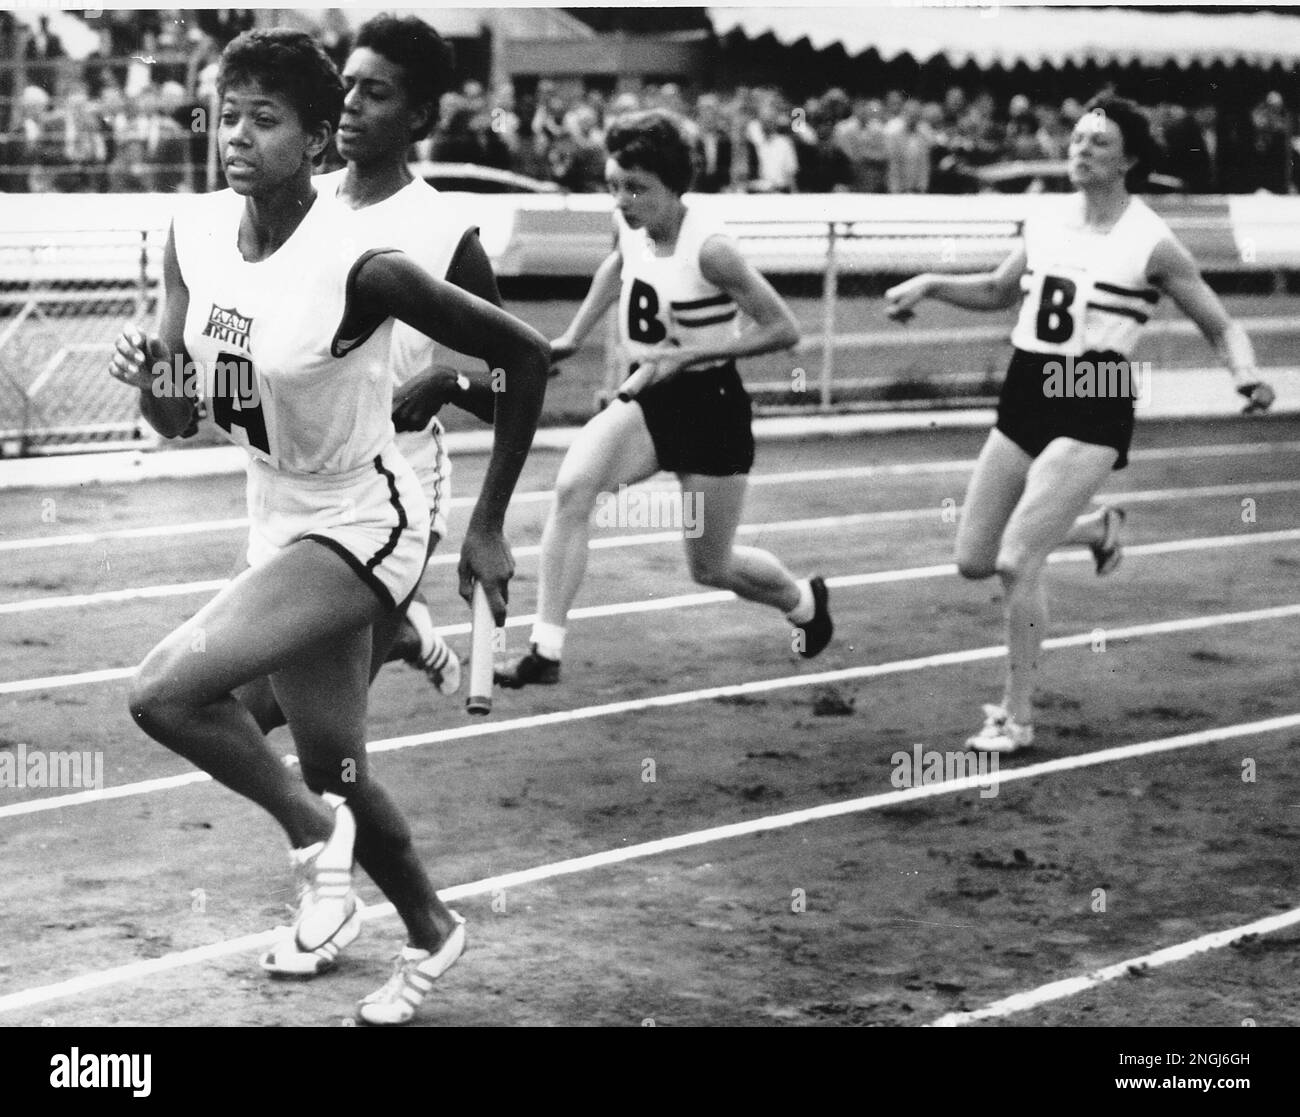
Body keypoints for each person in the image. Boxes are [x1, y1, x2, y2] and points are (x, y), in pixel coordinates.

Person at [108, 28, 549, 1025]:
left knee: (165, 692)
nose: (237, 135)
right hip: (274, 514)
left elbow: (524, 358)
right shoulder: (192, 233)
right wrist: (152, 375)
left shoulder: (363, 263)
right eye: (230, 114)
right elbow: (175, 417)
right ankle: (432, 926)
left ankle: (317, 839)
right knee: (334, 762)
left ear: (313, 141)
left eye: (265, 120)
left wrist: (487, 524)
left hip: (363, 516)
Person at [884, 93, 1275, 754]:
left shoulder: (1151, 241)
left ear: (1130, 160)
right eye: (1077, 138)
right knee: (974, 557)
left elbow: (1221, 323)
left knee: (1016, 558)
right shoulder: (1047, 219)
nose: (1081, 149)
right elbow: (997, 291)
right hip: (1029, 384)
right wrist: (929, 282)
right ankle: (1095, 527)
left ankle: (1016, 715)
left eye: (1099, 142)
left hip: (1096, 390)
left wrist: (1245, 373)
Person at [236, 14, 507, 741]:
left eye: (376, 93)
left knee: (286, 712)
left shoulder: (446, 235)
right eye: (347, 85)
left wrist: (451, 389)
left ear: (419, 116)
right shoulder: (297, 196)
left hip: (396, 491)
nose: (352, 104)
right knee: (269, 700)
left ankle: (394, 638)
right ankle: (407, 636)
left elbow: (517, 375)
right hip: (296, 481)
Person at [496, 109, 832, 689]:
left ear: (675, 185)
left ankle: (803, 601)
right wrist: (574, 335)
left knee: (711, 567)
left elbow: (784, 328)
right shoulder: (629, 224)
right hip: (648, 396)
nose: (622, 201)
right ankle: (545, 651)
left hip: (711, 404)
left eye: (636, 188)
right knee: (574, 490)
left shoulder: (712, 250)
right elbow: (617, 264)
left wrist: (689, 356)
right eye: (613, 186)